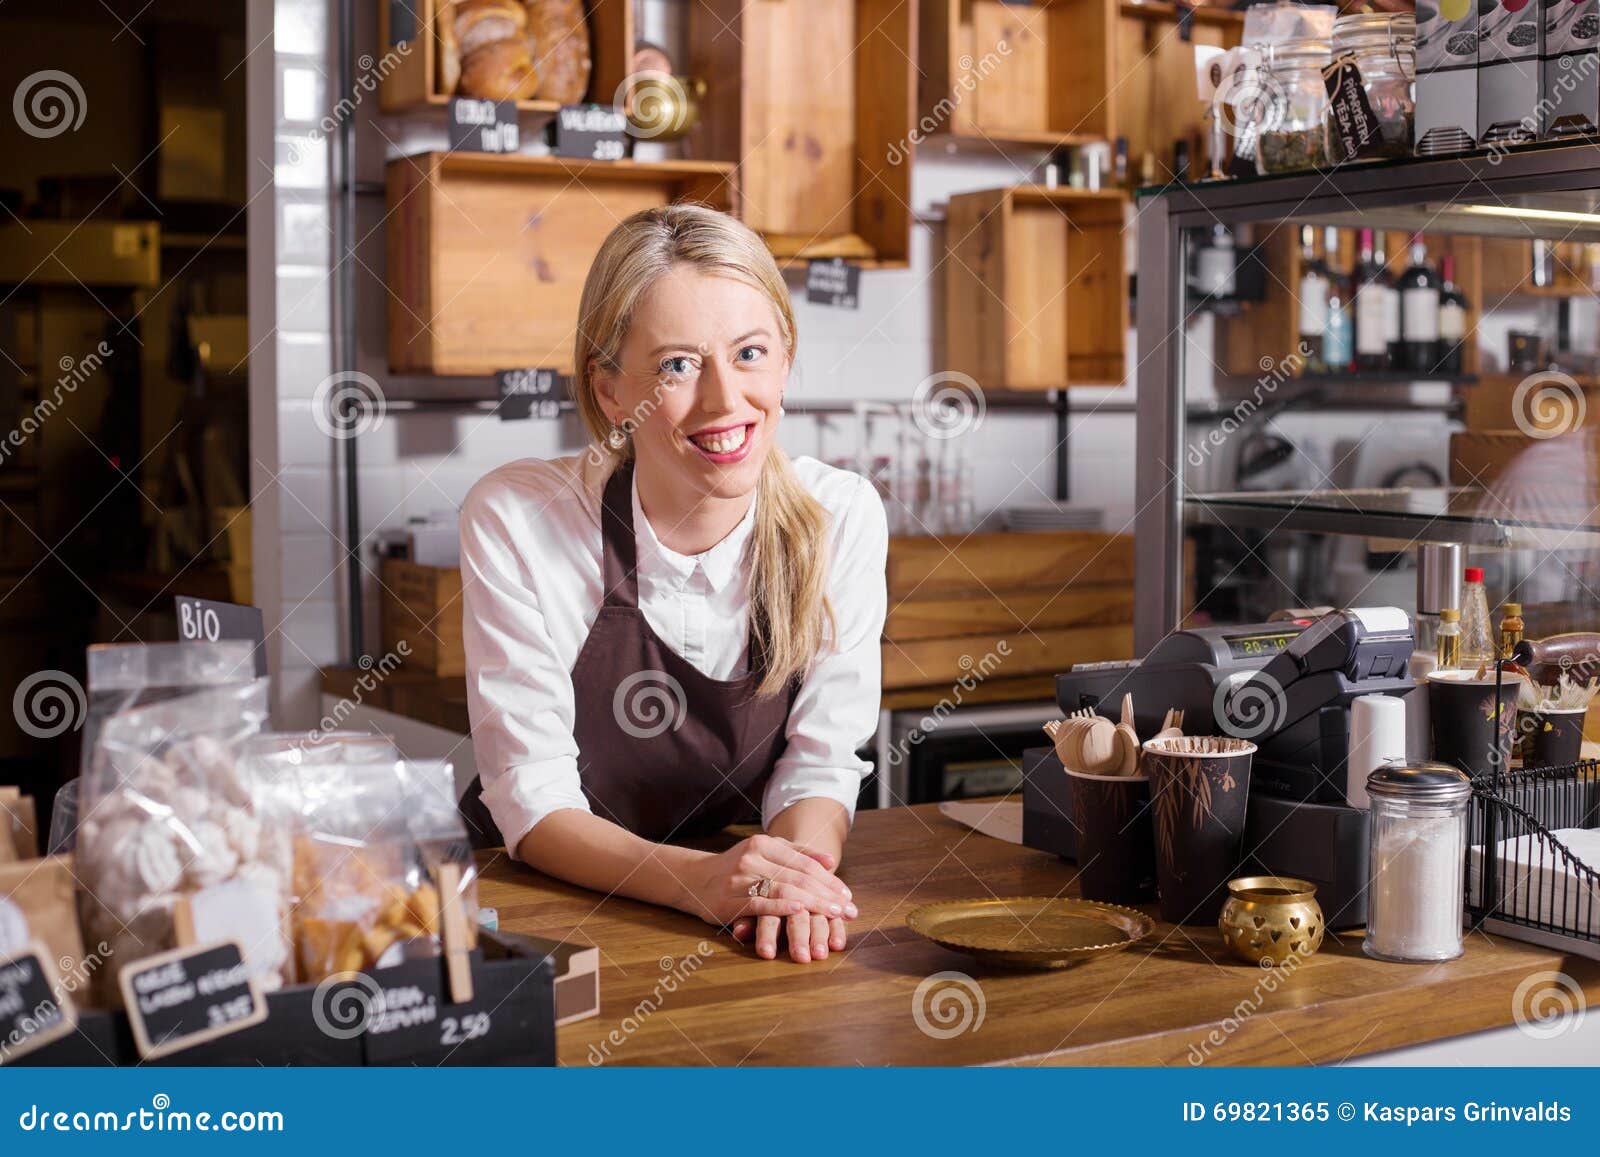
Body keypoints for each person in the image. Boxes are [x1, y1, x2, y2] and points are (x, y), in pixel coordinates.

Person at [458, 204, 887, 964]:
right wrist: (703, 883)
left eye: (750, 352)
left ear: (785, 357)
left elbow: (820, 765)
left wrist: (790, 887)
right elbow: (534, 797)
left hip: (731, 928)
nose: (725, 400)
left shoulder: (840, 517)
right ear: (613, 391)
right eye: (678, 365)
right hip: (545, 921)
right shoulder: (521, 518)